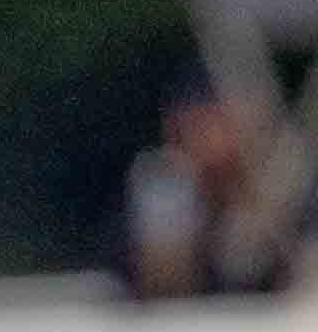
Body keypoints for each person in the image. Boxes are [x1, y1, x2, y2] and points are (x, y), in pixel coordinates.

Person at [122, 81, 289, 300]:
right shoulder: (165, 180)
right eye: (200, 126)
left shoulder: (268, 173)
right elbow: (161, 276)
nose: (210, 136)